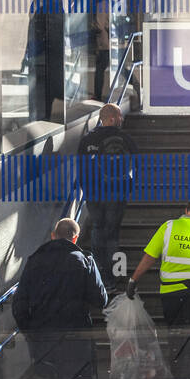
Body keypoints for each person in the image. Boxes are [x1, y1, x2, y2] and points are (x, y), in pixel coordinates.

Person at [128, 199, 190, 379]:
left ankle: (178, 377)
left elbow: (150, 256)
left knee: (176, 336)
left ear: (186, 210)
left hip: (171, 294)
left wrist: (133, 280)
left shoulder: (168, 227)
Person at [11, 217, 107, 379]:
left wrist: (31, 332)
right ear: (75, 238)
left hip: (44, 338)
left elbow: (19, 304)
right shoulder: (84, 261)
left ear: (53, 235)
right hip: (76, 338)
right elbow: (101, 300)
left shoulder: (34, 261)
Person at [76, 103, 137, 288]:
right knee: (111, 233)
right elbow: (137, 164)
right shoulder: (124, 138)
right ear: (112, 118)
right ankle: (111, 277)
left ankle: (98, 276)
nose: (122, 119)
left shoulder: (88, 139)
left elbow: (81, 168)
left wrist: (86, 191)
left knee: (97, 230)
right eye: (119, 116)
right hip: (116, 193)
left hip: (94, 194)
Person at [24, 0, 68, 123]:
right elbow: (53, 36)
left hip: (44, 63)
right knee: (42, 113)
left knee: (43, 111)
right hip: (46, 64)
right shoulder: (50, 1)